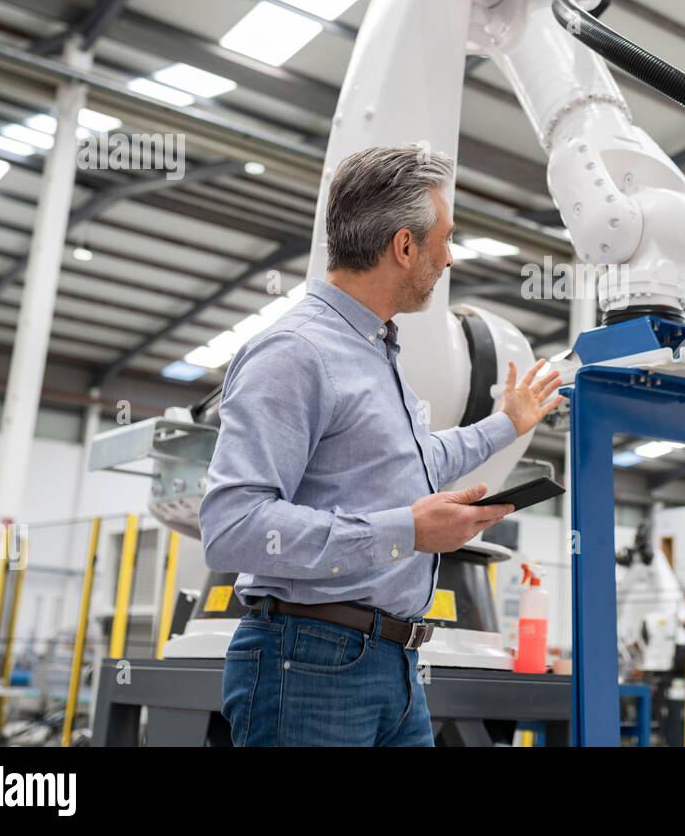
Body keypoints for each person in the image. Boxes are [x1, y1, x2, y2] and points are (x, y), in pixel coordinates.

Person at [200, 145, 562, 746]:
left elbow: (419, 461)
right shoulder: (297, 351)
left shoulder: (376, 353)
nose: (448, 258)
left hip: (393, 663)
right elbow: (233, 525)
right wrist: (407, 532)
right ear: (403, 245)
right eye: (444, 240)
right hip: (308, 664)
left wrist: (508, 424)